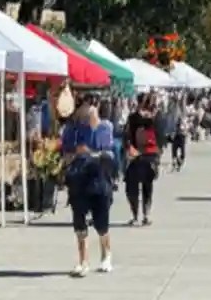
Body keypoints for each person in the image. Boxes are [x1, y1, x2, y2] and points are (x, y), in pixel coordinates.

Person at [62, 105, 117, 277]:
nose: (86, 117)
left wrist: (92, 153)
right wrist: (73, 155)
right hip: (78, 181)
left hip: (99, 181)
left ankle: (106, 255)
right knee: (80, 223)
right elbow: (65, 152)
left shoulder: (104, 128)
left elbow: (109, 153)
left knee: (101, 223)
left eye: (90, 114)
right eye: (84, 114)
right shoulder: (72, 130)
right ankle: (83, 261)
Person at [123, 94, 161, 226]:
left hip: (135, 154)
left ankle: (135, 215)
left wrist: (127, 149)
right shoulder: (154, 117)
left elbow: (127, 135)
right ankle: (146, 215)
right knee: (147, 186)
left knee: (132, 187)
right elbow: (160, 135)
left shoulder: (133, 117)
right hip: (150, 154)